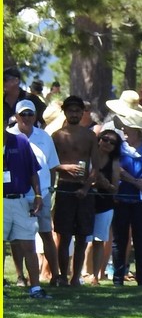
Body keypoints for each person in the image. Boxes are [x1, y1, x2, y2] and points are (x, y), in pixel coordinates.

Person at [11, 98, 62, 286]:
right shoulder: (8, 136)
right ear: (16, 116)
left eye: (30, 114)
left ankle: (55, 275)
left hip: (43, 194)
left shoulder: (44, 137)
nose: (26, 117)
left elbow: (52, 166)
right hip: (16, 195)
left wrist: (50, 190)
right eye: (22, 114)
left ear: (35, 116)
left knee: (46, 234)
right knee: (17, 238)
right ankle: (20, 276)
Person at [110, 110, 142, 286]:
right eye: (123, 127)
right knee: (120, 239)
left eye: (128, 128)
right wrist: (134, 181)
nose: (124, 130)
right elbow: (117, 169)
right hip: (122, 197)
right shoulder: (119, 146)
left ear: (137, 130)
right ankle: (118, 278)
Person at [50, 95, 97, 285]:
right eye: (71, 110)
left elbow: (96, 168)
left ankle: (76, 277)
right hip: (65, 187)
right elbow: (50, 164)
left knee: (82, 236)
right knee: (64, 234)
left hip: (84, 190)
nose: (75, 114)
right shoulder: (57, 136)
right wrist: (65, 168)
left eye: (78, 110)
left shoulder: (90, 135)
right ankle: (62, 275)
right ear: (65, 112)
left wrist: (86, 188)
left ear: (83, 112)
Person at [4, 126, 49, 299]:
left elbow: (32, 171)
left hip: (21, 200)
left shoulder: (21, 141)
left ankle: (36, 288)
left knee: (28, 244)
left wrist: (38, 194)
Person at [84, 126, 121, 286]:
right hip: (86, 202)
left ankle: (95, 276)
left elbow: (115, 189)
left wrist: (105, 184)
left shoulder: (114, 162)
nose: (107, 143)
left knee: (99, 239)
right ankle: (82, 272)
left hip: (105, 204)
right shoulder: (88, 157)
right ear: (98, 140)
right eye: (104, 139)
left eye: (111, 142)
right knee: (83, 239)